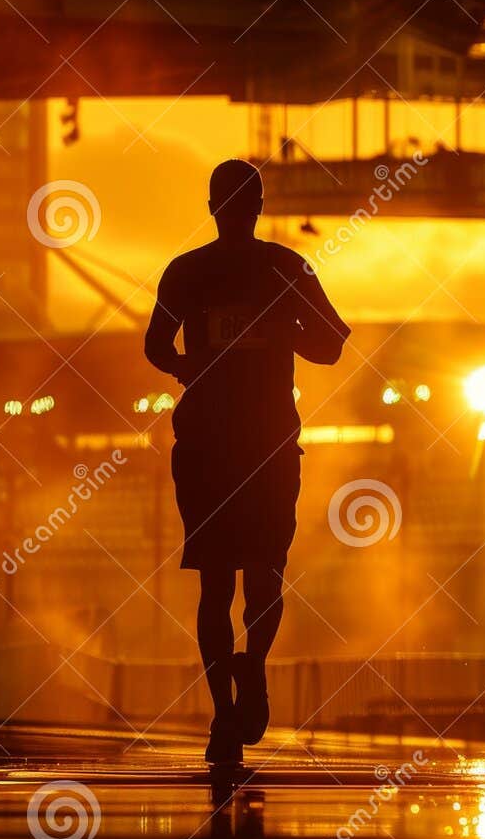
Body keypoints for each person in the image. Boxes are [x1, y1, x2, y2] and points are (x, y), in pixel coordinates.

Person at [144, 159, 349, 764]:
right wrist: (285, 329)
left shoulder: (187, 272)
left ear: (211, 206)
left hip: (207, 446)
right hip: (269, 445)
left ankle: (223, 715)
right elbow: (332, 344)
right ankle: (252, 669)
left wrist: (189, 368)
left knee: (214, 582)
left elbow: (156, 345)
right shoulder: (286, 267)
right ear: (258, 205)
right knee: (265, 573)